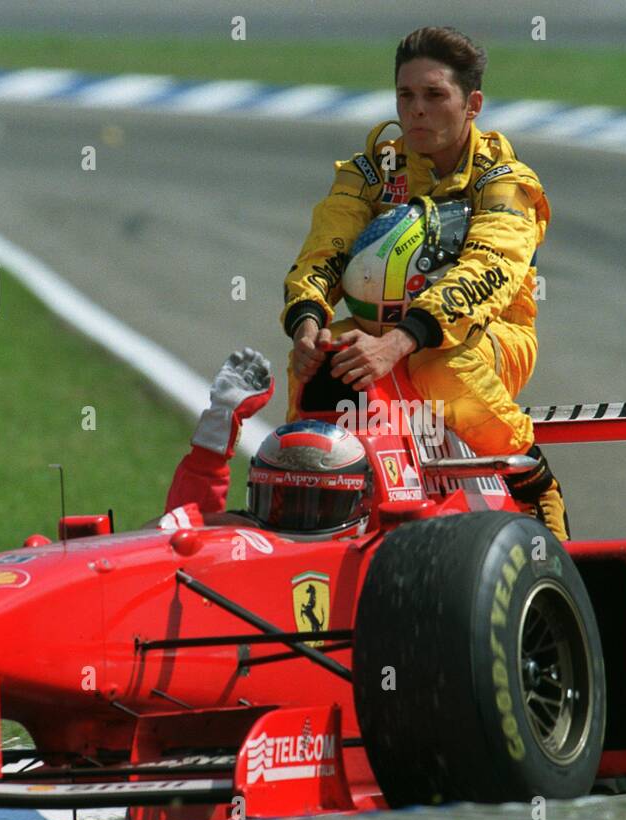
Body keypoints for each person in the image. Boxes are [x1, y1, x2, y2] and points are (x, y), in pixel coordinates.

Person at [279, 26, 570, 539]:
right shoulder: (371, 171)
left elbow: (487, 272)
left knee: (436, 366)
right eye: (406, 95)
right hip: (383, 334)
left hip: (494, 336)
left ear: (472, 104)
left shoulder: (504, 181)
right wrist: (307, 323)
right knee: (322, 362)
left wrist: (396, 342)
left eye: (435, 95)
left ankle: (532, 479)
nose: (417, 110)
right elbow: (324, 249)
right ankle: (309, 499)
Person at [156, 349, 373, 540]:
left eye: (320, 505)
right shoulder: (245, 540)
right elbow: (171, 536)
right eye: (281, 503)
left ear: (361, 502)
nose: (296, 520)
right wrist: (215, 435)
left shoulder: (380, 557)